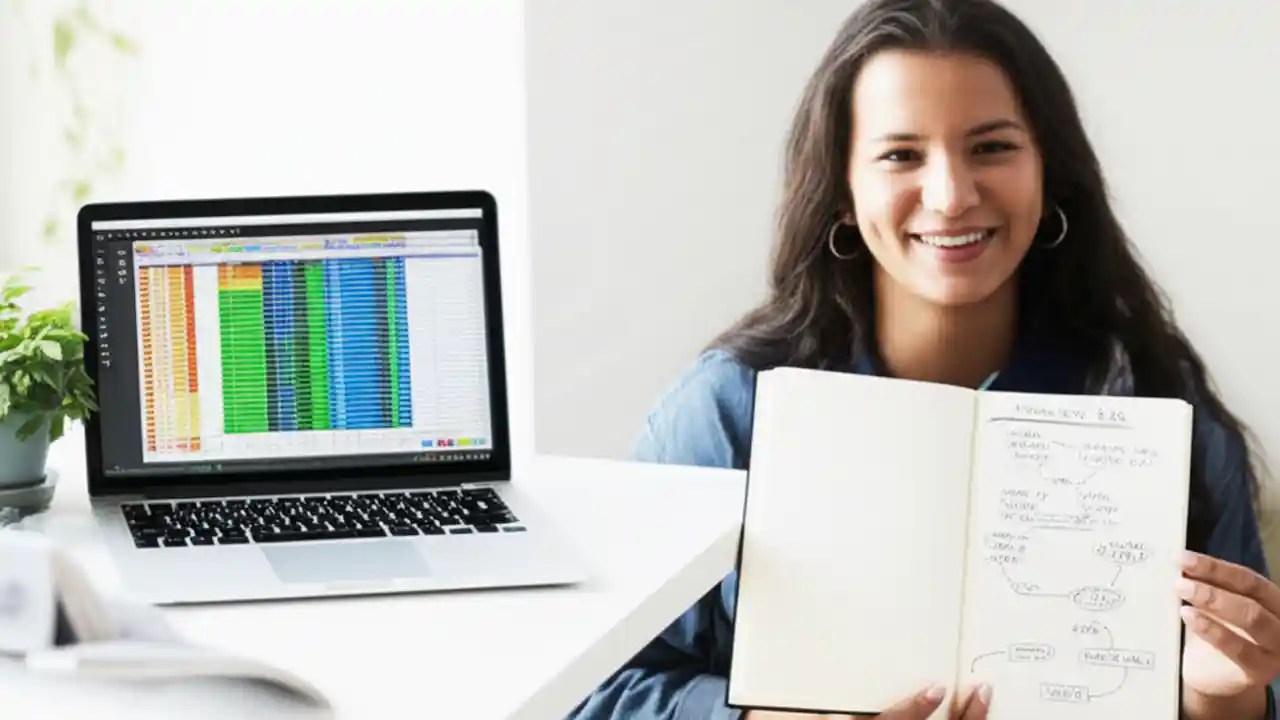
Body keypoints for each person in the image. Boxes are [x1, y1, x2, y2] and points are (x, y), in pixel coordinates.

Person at [568, 0, 1280, 718]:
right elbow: (595, 693)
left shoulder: (1154, 400)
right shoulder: (729, 409)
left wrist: (1224, 690)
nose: (950, 196)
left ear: (1049, 169)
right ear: (842, 192)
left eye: (992, 147)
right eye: (900, 155)